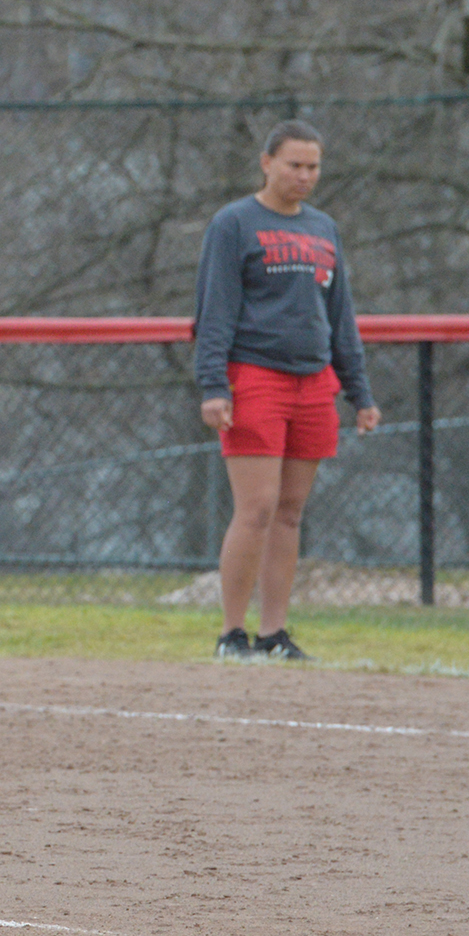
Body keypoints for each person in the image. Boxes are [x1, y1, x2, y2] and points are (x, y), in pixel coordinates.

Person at [194, 120, 380, 662]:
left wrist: (360, 393)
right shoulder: (234, 223)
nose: (304, 175)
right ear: (267, 163)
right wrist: (214, 385)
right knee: (256, 508)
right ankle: (232, 633)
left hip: (314, 382)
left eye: (313, 166)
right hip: (255, 376)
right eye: (294, 164)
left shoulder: (324, 228)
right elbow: (214, 310)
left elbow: (340, 316)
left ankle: (274, 634)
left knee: (290, 513)